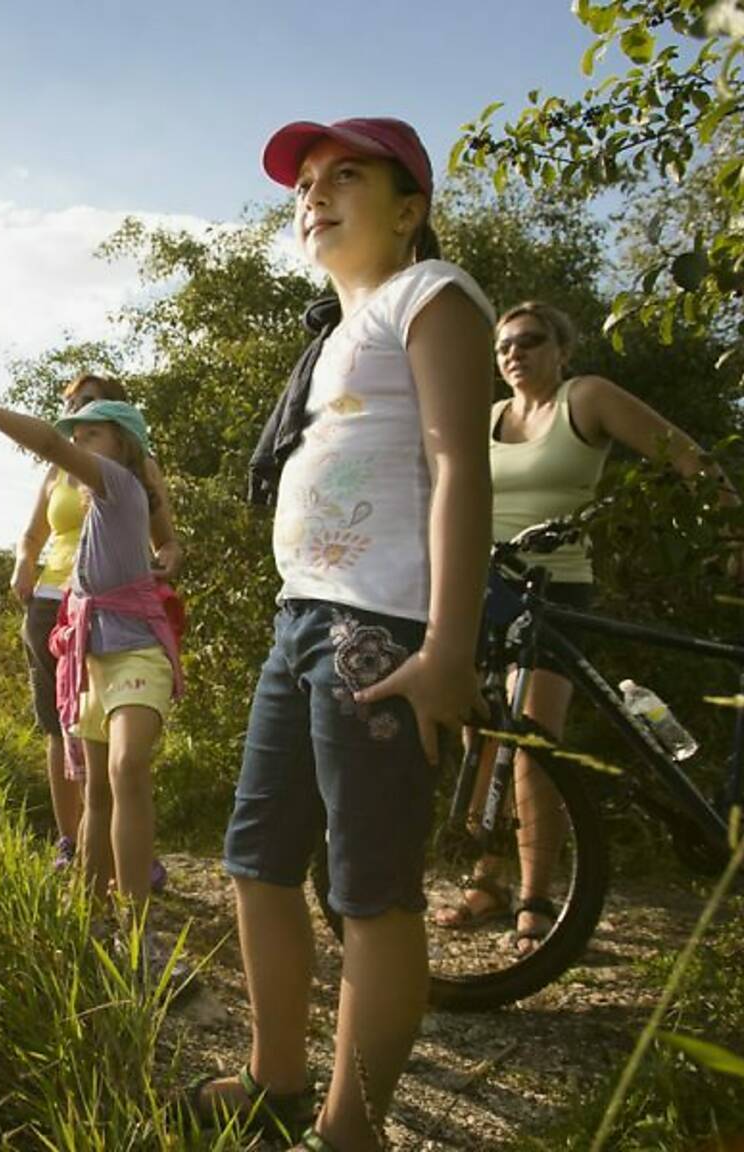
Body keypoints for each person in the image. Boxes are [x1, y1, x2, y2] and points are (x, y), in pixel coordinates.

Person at [188, 118, 494, 1152]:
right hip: (298, 619)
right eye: (304, 183)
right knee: (255, 864)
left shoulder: (432, 295)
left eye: (344, 177)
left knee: (370, 896)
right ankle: (276, 1082)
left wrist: (451, 645)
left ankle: (347, 1132)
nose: (313, 195)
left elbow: (461, 467)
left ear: (409, 210)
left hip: (382, 629)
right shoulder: (328, 341)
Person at [435, 299, 739, 953]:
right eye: (503, 347)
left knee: (533, 744)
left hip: (555, 589)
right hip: (482, 589)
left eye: (530, 340)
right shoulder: (486, 419)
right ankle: (486, 880)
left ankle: (536, 897)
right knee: (481, 736)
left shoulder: (586, 398)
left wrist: (732, 524)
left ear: (561, 348)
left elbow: (684, 455)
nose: (515, 353)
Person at [0, 396, 182, 921]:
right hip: (92, 659)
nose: (77, 442)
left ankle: (136, 930)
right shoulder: (94, 506)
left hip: (136, 653)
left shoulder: (120, 484)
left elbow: (46, 442)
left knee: (126, 766)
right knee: (96, 793)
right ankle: (90, 920)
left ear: (123, 444)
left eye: (92, 433)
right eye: (76, 434)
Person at [11, 373, 181, 880]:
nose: (76, 418)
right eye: (70, 408)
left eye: (88, 407)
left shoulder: (131, 469)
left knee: (119, 756)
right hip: (55, 606)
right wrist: (24, 562)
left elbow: (165, 537)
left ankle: (124, 855)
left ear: (115, 418)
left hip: (119, 612)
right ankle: (76, 844)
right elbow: (32, 533)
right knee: (62, 732)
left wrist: (167, 556)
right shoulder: (56, 474)